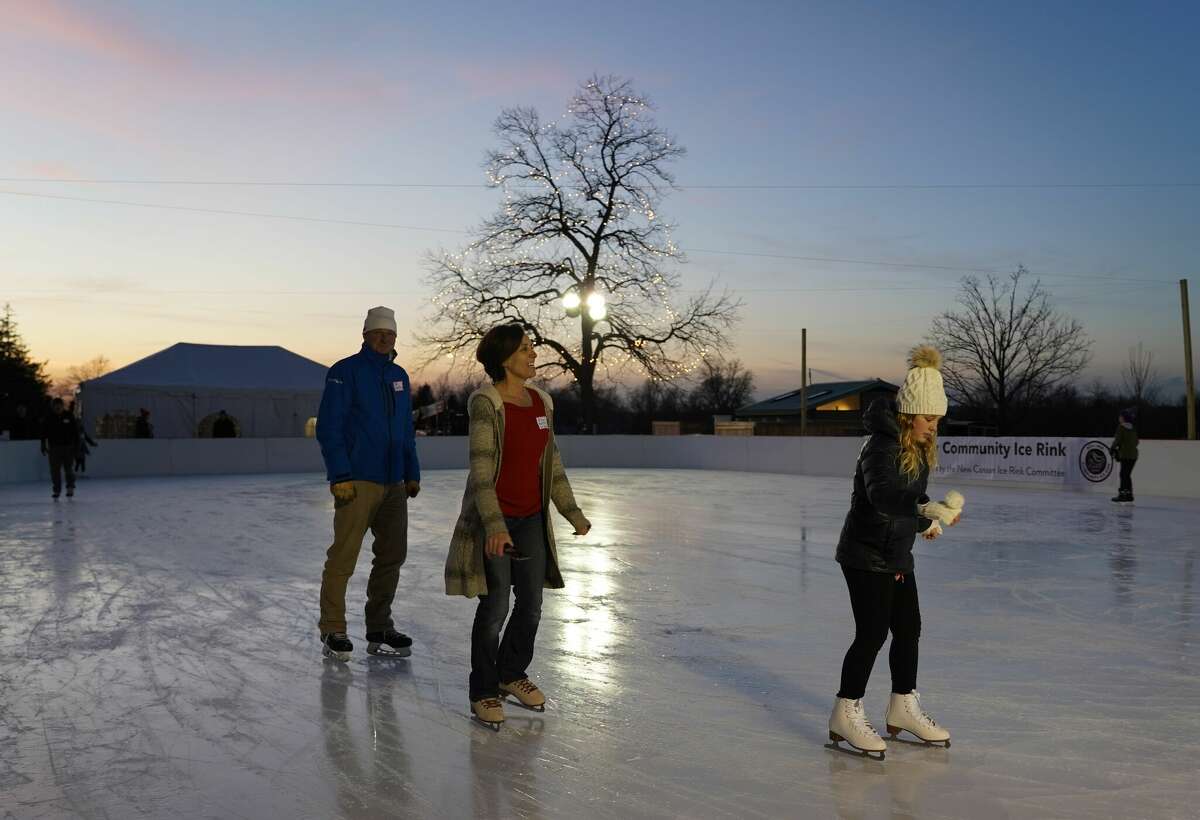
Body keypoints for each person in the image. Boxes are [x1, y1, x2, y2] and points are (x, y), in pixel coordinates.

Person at [444, 324, 592, 731]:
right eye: (525, 349)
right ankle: (483, 690)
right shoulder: (487, 404)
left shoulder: (541, 402)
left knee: (531, 603)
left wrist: (572, 512)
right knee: (495, 606)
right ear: (505, 358)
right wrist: (495, 526)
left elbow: (552, 464)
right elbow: (481, 472)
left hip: (530, 519)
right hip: (496, 521)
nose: (533, 354)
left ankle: (510, 673)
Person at [827, 345, 964, 759]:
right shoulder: (880, 446)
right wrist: (922, 509)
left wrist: (926, 520)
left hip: (896, 553)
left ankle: (903, 706)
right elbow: (883, 495)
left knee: (908, 629)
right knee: (872, 633)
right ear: (908, 415)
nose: (934, 427)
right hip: (865, 553)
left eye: (938, 419)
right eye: (928, 418)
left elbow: (910, 497)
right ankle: (845, 712)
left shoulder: (916, 447)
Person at [315, 306, 421, 662]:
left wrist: (412, 471)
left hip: (394, 481)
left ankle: (379, 626)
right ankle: (333, 628)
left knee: (392, 556)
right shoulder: (345, 372)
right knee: (344, 556)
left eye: (390, 333)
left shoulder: (399, 376)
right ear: (365, 335)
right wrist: (340, 475)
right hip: (358, 480)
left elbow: (406, 430)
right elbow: (329, 427)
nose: (384, 338)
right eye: (378, 332)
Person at [40, 398, 80, 499]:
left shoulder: (69, 415)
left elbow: (75, 432)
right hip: (54, 448)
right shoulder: (48, 417)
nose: (58, 408)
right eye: (55, 406)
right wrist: (43, 445)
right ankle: (57, 490)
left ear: (62, 406)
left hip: (68, 447)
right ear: (52, 407)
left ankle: (70, 487)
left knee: (68, 469)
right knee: (55, 471)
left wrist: (77, 446)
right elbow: (44, 433)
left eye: (59, 406)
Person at [1110, 408, 1139, 504]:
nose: (1119, 418)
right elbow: (1136, 442)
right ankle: (1129, 494)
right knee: (1126, 474)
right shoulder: (1133, 427)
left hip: (1125, 454)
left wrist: (1112, 448)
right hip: (1133, 455)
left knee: (1123, 474)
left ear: (1123, 418)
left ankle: (1122, 494)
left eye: (1120, 416)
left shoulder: (1121, 427)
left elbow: (1117, 440)